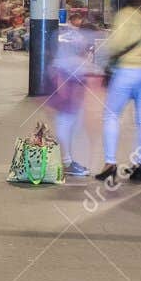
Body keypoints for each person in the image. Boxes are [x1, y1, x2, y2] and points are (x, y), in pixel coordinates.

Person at [96, 0, 141, 182]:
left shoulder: (125, 15)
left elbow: (116, 44)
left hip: (126, 72)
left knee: (111, 116)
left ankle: (110, 164)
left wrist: (106, 60)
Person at [49, 13, 101, 176]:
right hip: (65, 82)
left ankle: (67, 161)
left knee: (71, 121)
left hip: (66, 81)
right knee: (67, 120)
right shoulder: (76, 45)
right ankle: (66, 162)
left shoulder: (72, 41)